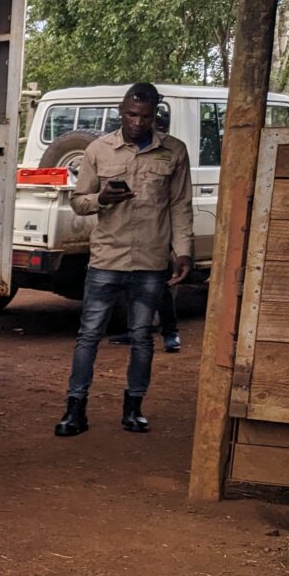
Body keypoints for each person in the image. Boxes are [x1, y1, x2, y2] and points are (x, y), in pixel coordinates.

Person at [54, 83, 193, 436]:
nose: (137, 122)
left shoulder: (174, 152)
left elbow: (180, 206)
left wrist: (184, 251)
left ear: (154, 115)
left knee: (142, 337)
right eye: (131, 114)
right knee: (88, 336)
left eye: (144, 116)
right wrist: (103, 198)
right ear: (120, 110)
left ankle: (134, 408)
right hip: (106, 258)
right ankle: (75, 409)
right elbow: (78, 201)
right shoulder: (98, 149)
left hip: (150, 260)